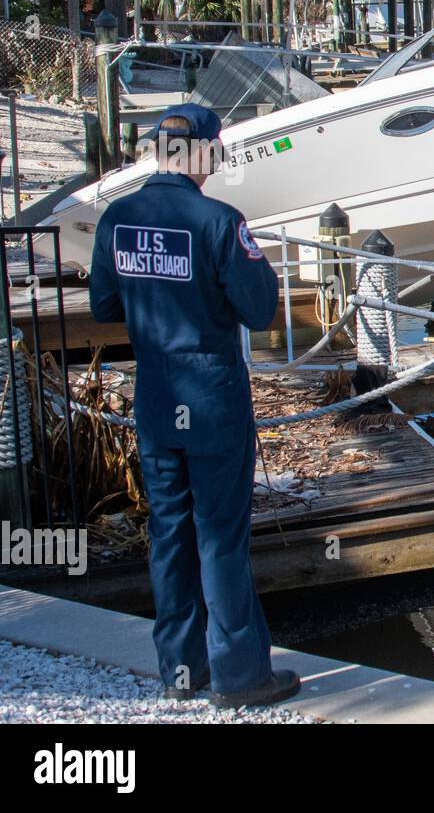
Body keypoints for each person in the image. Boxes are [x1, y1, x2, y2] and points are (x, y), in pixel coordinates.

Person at [90, 104, 300, 708]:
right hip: (211, 400)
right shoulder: (218, 221)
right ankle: (240, 677)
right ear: (201, 153)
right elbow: (261, 310)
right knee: (220, 539)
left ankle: (181, 673)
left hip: (155, 399)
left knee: (170, 536)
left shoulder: (118, 217)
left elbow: (105, 305)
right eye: (220, 149)